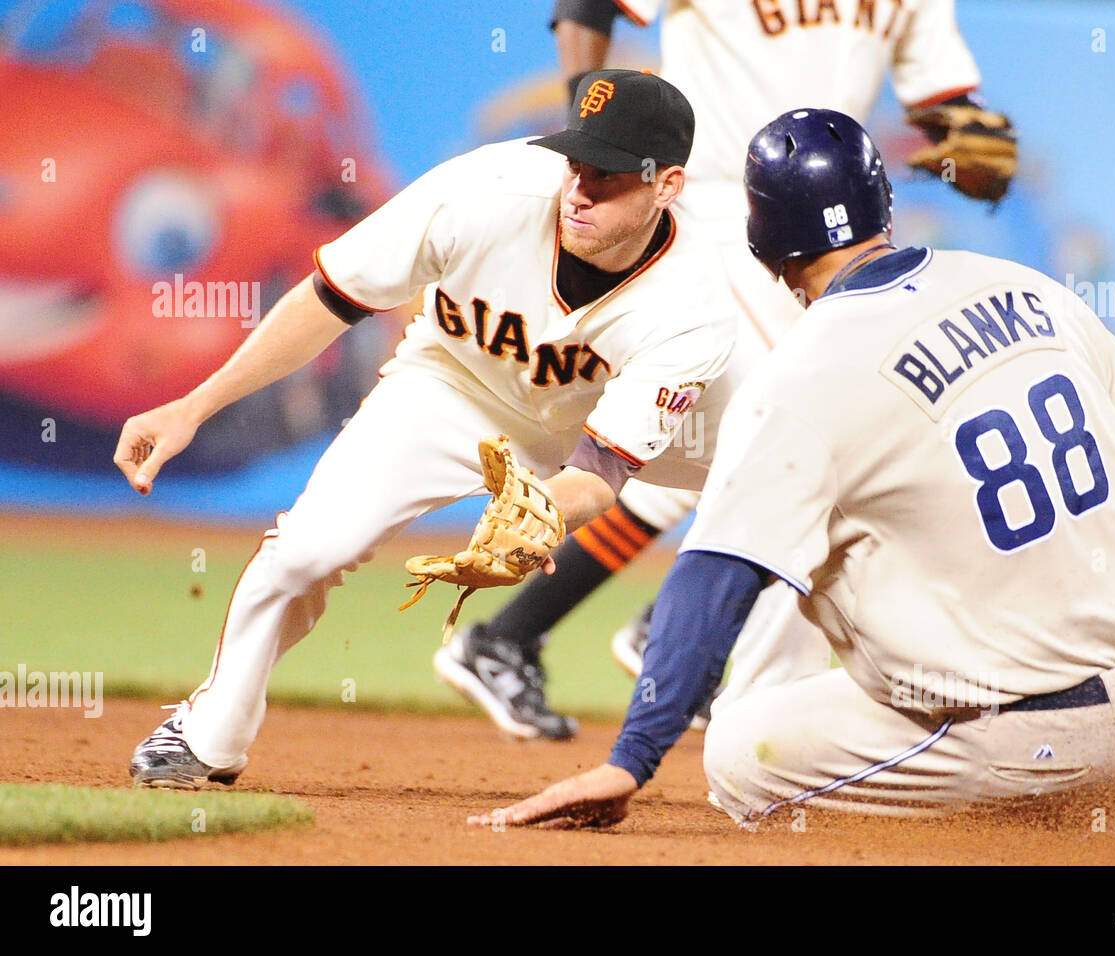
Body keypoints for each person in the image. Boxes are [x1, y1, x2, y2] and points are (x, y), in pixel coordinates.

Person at [468, 108, 1115, 828]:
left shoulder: (801, 380)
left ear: (763, 237)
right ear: (883, 203)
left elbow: (714, 578)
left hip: (1033, 736)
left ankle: (1038, 810)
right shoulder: (1021, 285)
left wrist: (629, 761)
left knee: (741, 755)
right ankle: (1098, 788)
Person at [117, 70, 748, 787]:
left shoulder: (693, 303)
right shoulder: (485, 192)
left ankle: (784, 711)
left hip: (618, 425)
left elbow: (601, 472)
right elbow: (329, 300)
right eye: (577, 163)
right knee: (303, 552)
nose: (579, 189)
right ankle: (207, 736)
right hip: (453, 387)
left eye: (607, 176)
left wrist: (540, 514)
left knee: (782, 486)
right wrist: (194, 406)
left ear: (666, 186)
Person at [441, 0, 1019, 741]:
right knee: (799, 444)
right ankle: (645, 635)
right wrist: (594, 124)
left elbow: (946, 110)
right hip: (710, 206)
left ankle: (546, 636)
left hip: (816, 226)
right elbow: (584, 7)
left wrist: (961, 152)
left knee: (749, 444)